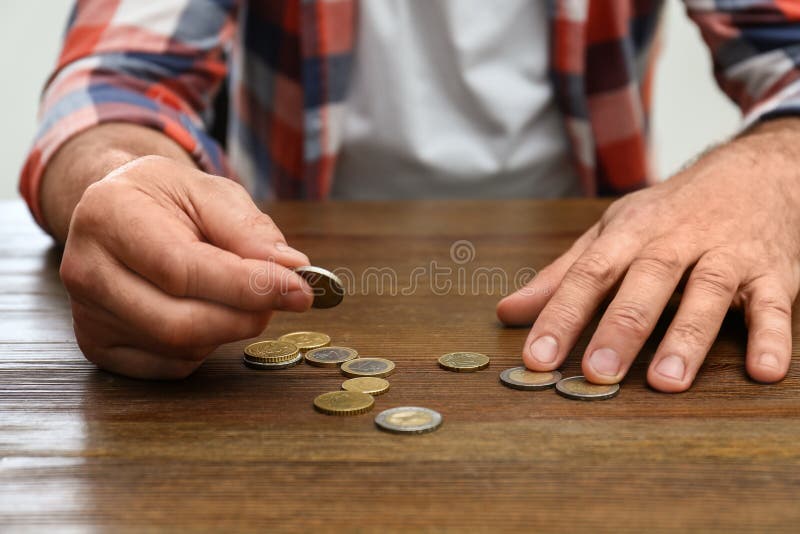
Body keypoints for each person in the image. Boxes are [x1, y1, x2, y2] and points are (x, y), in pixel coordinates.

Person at [20, 1, 800, 388]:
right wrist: (113, 174)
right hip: (284, 259)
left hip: (591, 265)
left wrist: (769, 171)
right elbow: (114, 83)